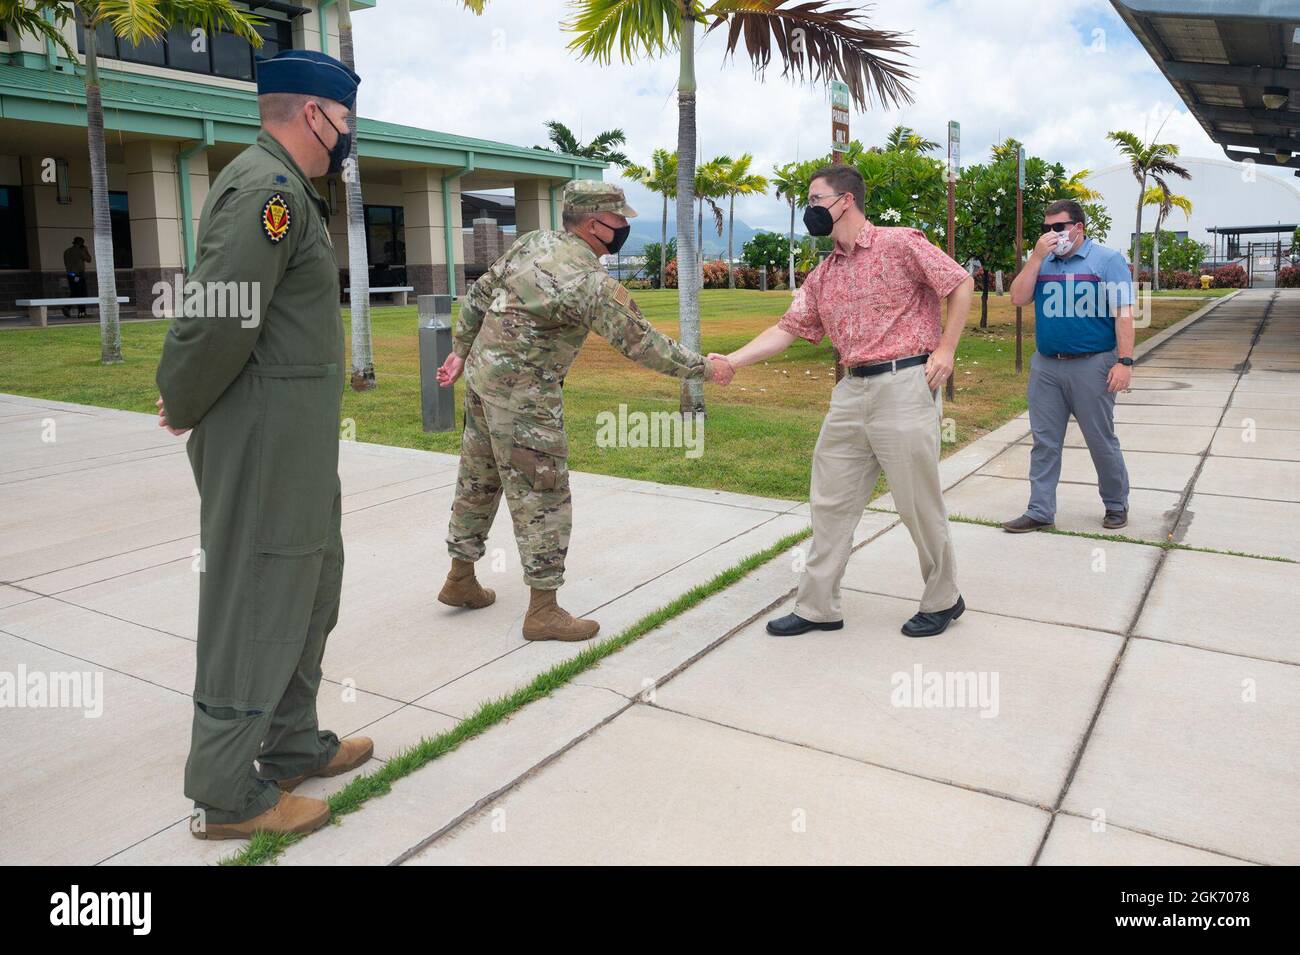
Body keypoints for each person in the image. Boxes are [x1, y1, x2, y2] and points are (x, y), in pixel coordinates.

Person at [154, 50, 372, 841]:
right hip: (263, 437)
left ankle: (288, 743)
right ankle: (226, 792)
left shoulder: (289, 189)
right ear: (316, 115)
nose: (351, 137)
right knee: (256, 597)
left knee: (311, 582)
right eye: (347, 121)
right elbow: (220, 308)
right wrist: (182, 393)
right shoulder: (269, 191)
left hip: (297, 440)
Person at [436, 179, 733, 642]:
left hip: (482, 380)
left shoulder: (533, 242)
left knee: (479, 479)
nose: (625, 227)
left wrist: (459, 350)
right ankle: (543, 610)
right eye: (621, 220)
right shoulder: (589, 282)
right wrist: (705, 369)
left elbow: (478, 295)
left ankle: (461, 577)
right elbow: (643, 343)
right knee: (542, 495)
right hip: (525, 399)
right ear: (597, 223)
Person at [713, 163, 974, 638]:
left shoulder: (900, 243)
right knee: (829, 502)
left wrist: (947, 349)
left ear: (845, 200)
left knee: (917, 503)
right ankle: (818, 608)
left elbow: (959, 283)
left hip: (904, 385)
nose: (808, 210)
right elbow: (786, 330)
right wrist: (733, 360)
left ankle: (944, 598)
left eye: (815, 200)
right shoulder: (822, 275)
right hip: (851, 391)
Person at [1002, 199, 1133, 533]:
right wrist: (1034, 258)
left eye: (1058, 227)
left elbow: (1124, 314)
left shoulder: (1107, 261)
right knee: (1045, 442)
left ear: (1078, 228)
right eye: (1046, 228)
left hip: (1093, 365)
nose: (1051, 234)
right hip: (1047, 366)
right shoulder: (1042, 262)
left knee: (1099, 439)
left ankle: (1116, 504)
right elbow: (1017, 298)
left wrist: (1125, 362)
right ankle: (1040, 509)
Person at [62, 237, 91, 318]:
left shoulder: (67, 251)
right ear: (80, 243)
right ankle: (81, 312)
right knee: (82, 293)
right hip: (78, 275)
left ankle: (68, 307)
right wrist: (86, 250)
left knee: (75, 292)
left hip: (70, 275)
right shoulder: (80, 251)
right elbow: (89, 259)